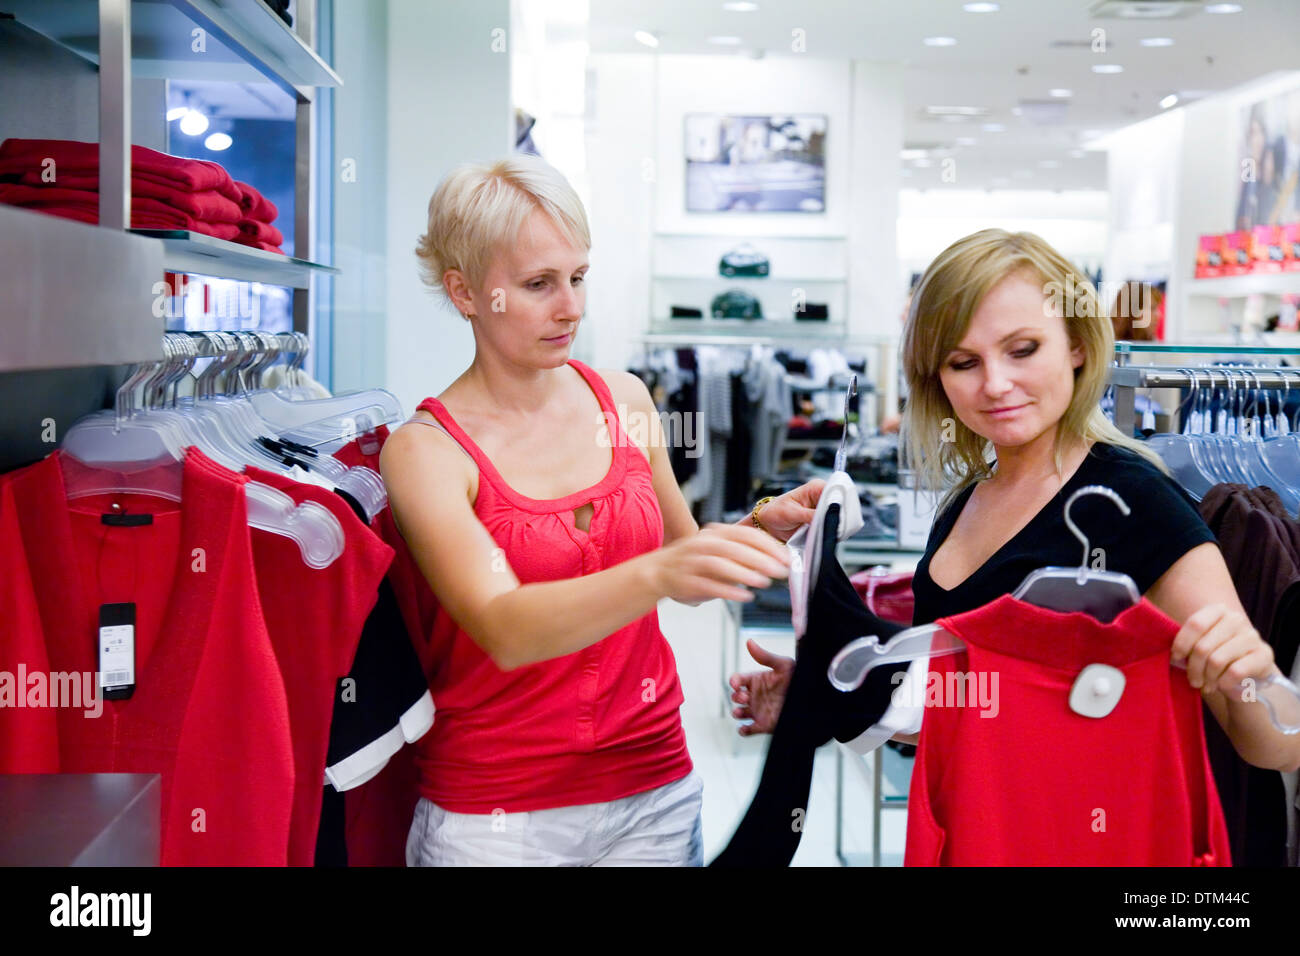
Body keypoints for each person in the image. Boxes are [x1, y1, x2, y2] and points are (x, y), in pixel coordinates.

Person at [379, 155, 827, 866]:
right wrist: (659, 574)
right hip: (497, 817)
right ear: (465, 293)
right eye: (538, 285)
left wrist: (754, 527)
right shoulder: (425, 453)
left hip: (653, 787)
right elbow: (505, 628)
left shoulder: (624, 401)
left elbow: (679, 550)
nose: (571, 308)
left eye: (578, 277)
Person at [731, 228, 1300, 776]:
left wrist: (1250, 676)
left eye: (1022, 350)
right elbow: (964, 710)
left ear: (1077, 344)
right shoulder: (968, 498)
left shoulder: (1135, 503)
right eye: (963, 362)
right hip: (962, 828)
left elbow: (1274, 748)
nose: (995, 384)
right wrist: (824, 700)